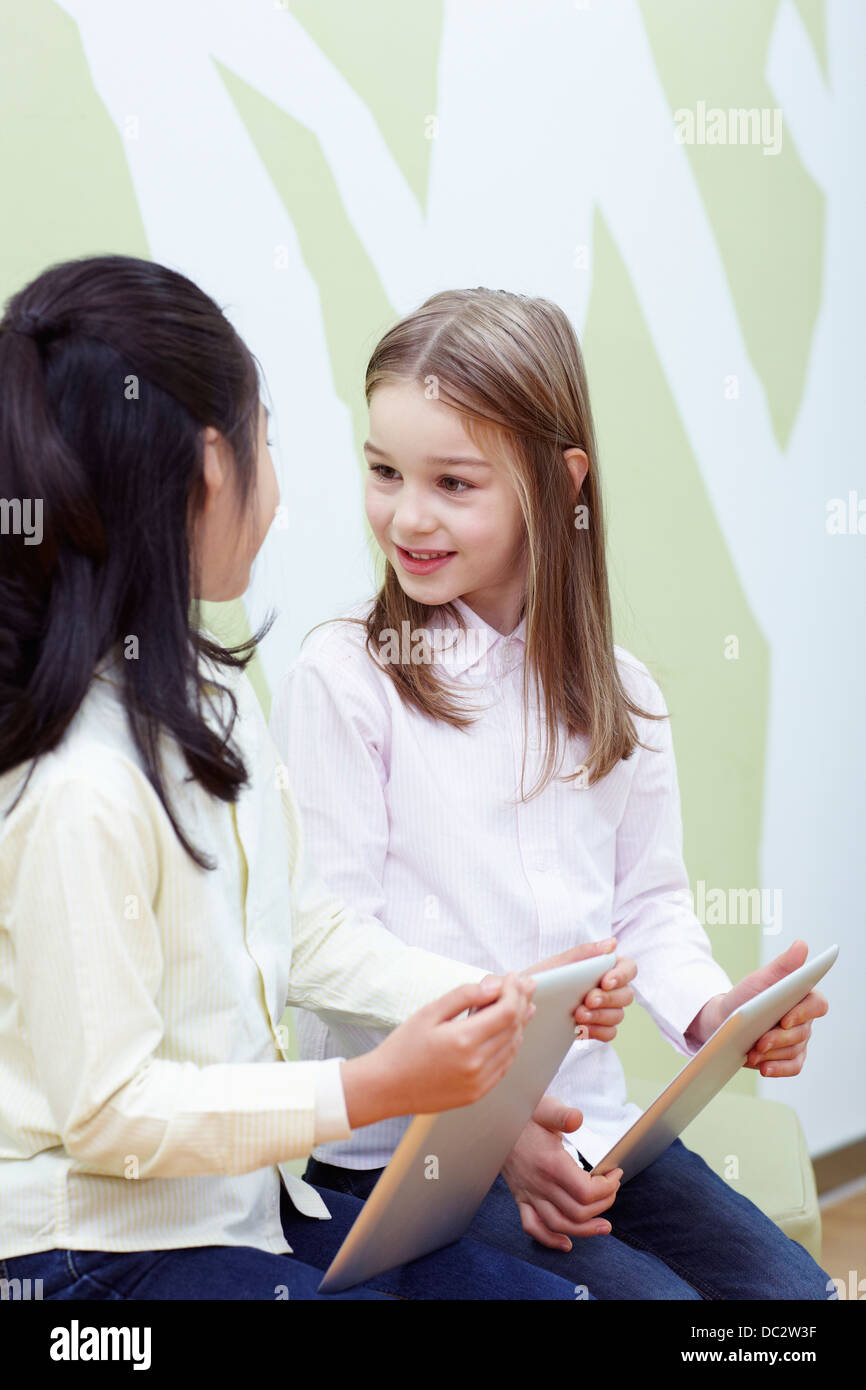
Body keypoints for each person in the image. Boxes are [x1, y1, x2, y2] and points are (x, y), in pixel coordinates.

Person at [0, 256, 618, 1301]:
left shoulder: (208, 701)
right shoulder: (77, 784)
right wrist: (371, 1087)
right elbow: (111, 1113)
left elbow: (307, 930)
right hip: (93, 1261)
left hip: (243, 1211)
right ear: (209, 468)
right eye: (268, 440)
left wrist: (498, 1004)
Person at [271, 287, 831, 1300]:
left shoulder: (620, 694)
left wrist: (713, 1012)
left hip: (591, 1131)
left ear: (558, 480)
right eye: (383, 470)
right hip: (411, 1154)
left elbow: (647, 908)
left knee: (790, 1300)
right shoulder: (345, 675)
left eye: (452, 481)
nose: (407, 514)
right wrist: (490, 1106)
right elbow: (322, 941)